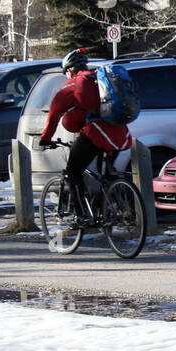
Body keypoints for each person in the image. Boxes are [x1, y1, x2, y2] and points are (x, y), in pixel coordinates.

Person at [39, 49, 132, 222]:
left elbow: (54, 113)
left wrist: (45, 138)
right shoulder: (101, 79)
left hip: (95, 134)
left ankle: (81, 215)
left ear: (69, 70)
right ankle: (108, 211)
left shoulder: (74, 83)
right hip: (120, 134)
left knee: (73, 171)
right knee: (106, 175)